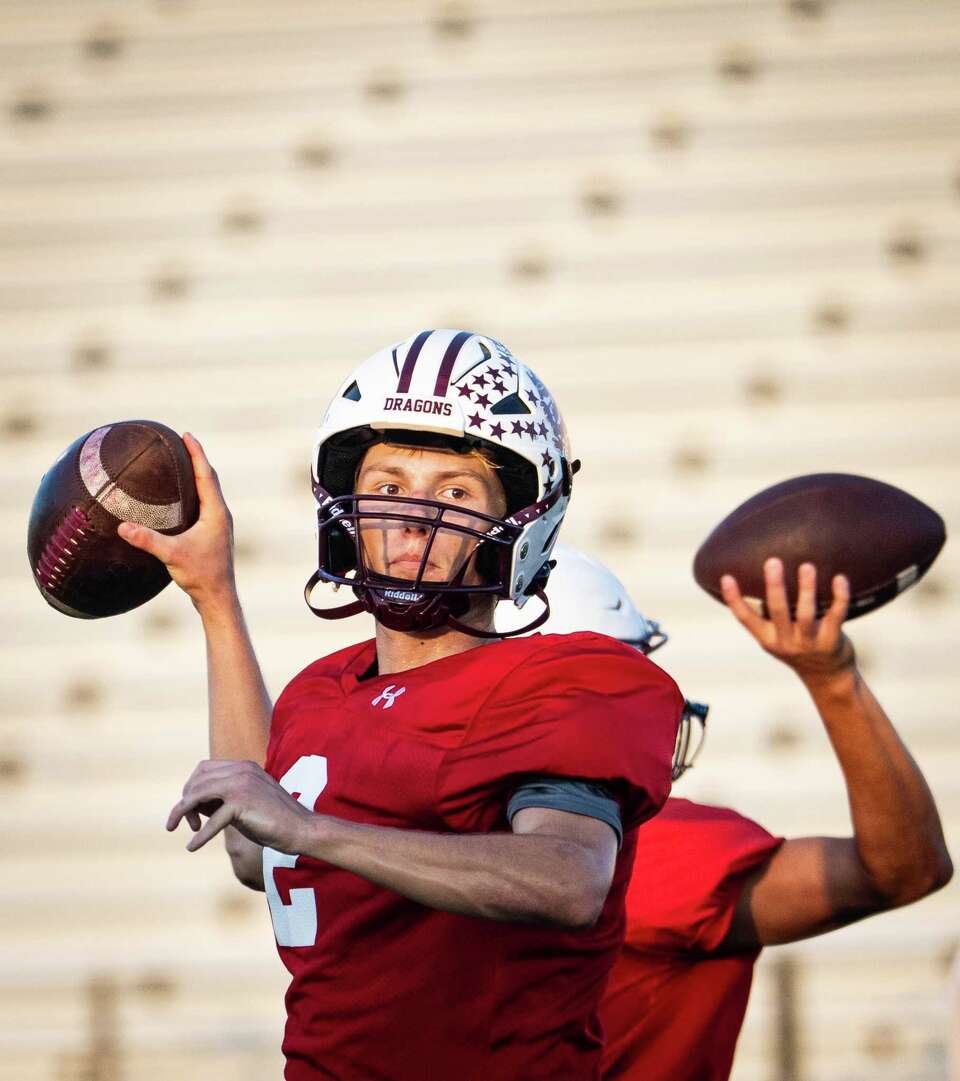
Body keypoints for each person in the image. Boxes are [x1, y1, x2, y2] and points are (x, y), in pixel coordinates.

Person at [118, 330, 684, 1081]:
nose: (414, 516)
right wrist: (212, 595)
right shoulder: (323, 689)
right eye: (387, 486)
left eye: (454, 491)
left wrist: (313, 827)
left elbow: (570, 878)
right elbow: (256, 848)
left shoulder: (562, 677)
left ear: (521, 521)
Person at [499, 545, 952, 1081]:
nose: (647, 705)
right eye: (623, 684)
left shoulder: (398, 825)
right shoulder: (661, 850)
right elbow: (904, 872)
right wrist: (833, 682)